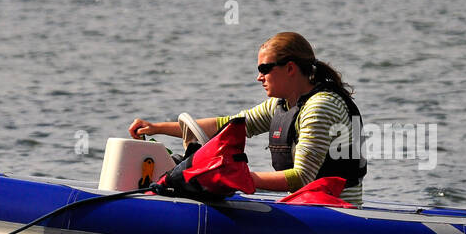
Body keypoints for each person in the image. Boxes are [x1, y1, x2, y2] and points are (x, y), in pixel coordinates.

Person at [128, 33, 367, 205]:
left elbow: (301, 177)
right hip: (306, 202)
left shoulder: (319, 108)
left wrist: (241, 179)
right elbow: (229, 126)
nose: (259, 77)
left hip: (335, 210)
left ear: (290, 68)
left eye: (264, 69)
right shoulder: (283, 103)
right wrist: (158, 127)